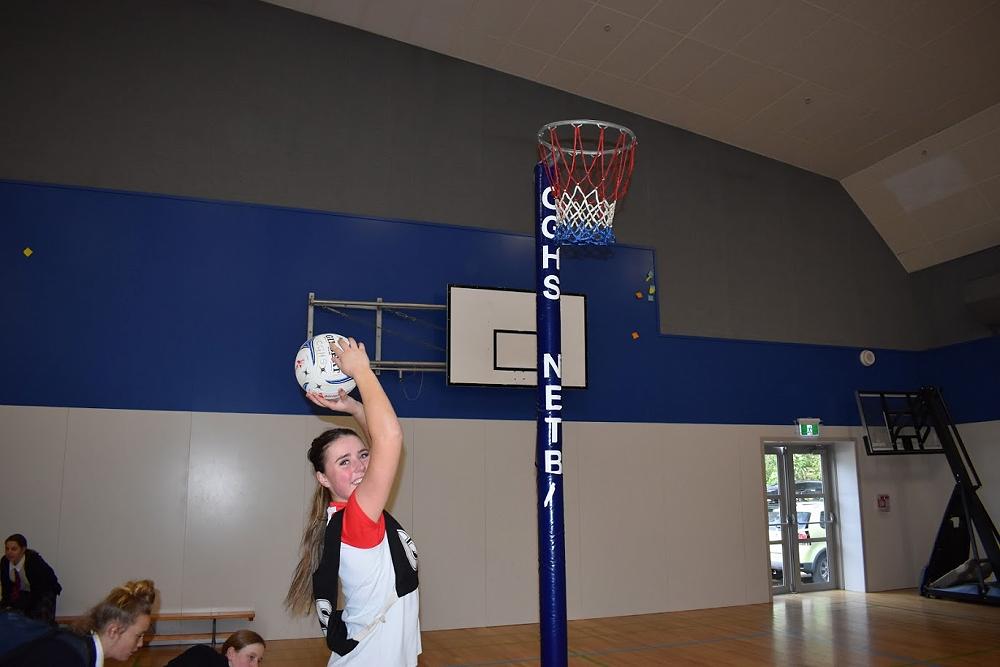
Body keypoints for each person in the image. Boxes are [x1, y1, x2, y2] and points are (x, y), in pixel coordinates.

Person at [285, 336, 420, 666]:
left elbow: (381, 442)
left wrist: (355, 408)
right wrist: (361, 371)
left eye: (362, 455)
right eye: (343, 462)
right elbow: (389, 438)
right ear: (323, 478)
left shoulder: (347, 516)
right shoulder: (357, 520)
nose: (360, 466)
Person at [0, 578, 155, 666]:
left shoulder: (79, 647)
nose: (140, 643)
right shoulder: (71, 657)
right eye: (138, 635)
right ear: (113, 630)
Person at [1, 534, 62, 623]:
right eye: (7, 549)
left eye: (14, 549)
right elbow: (6, 587)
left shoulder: (34, 561)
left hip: (44, 590)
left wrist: (27, 608)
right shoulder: (5, 561)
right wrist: (5, 606)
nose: (9, 552)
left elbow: (39, 590)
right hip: (24, 590)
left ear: (23, 549)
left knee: (37, 619)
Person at [164, 629, 265, 666]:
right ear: (231, 653)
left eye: (259, 661)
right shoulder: (202, 655)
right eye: (251, 657)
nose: (255, 666)